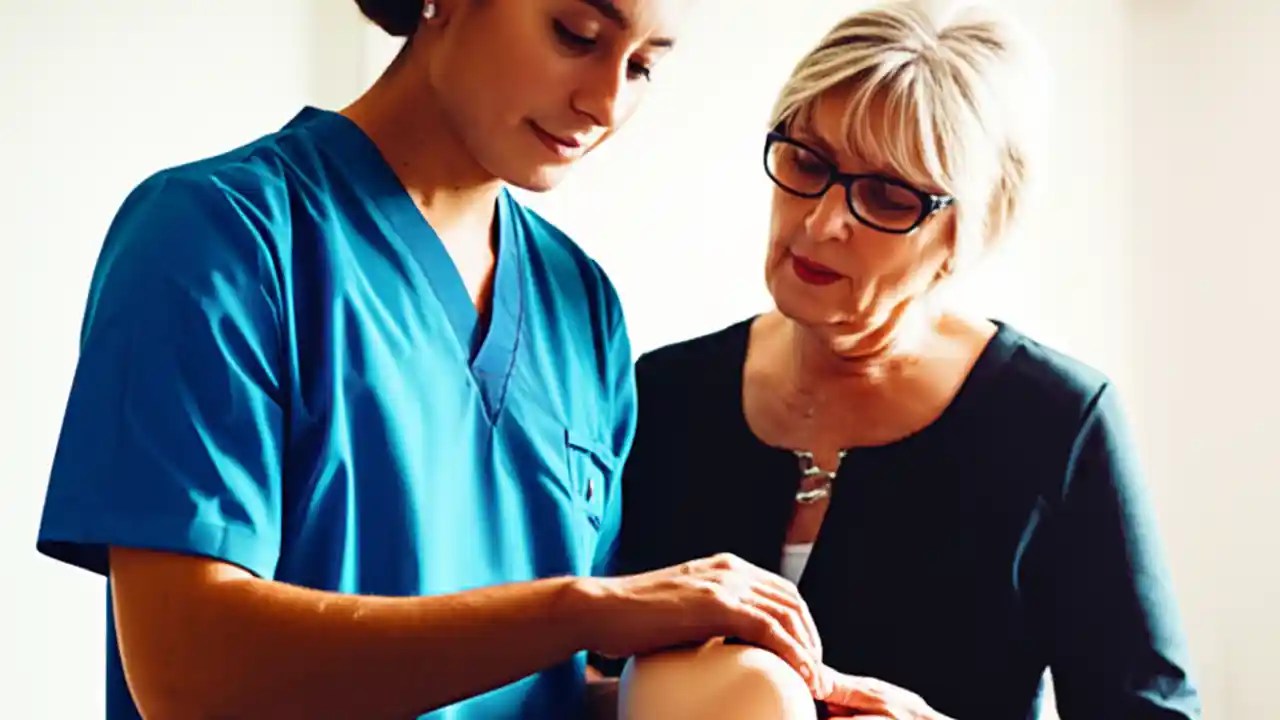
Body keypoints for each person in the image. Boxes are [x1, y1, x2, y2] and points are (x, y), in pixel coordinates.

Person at [34, 1, 833, 718]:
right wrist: (585, 608)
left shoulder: (581, 307)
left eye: (644, 65)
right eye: (576, 35)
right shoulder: (221, 240)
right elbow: (189, 675)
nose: (607, 102)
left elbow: (536, 690)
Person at [605, 2, 1203, 719]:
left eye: (887, 198)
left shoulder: (1053, 423)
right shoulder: (664, 395)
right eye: (808, 161)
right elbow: (566, 673)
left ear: (966, 232)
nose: (823, 221)